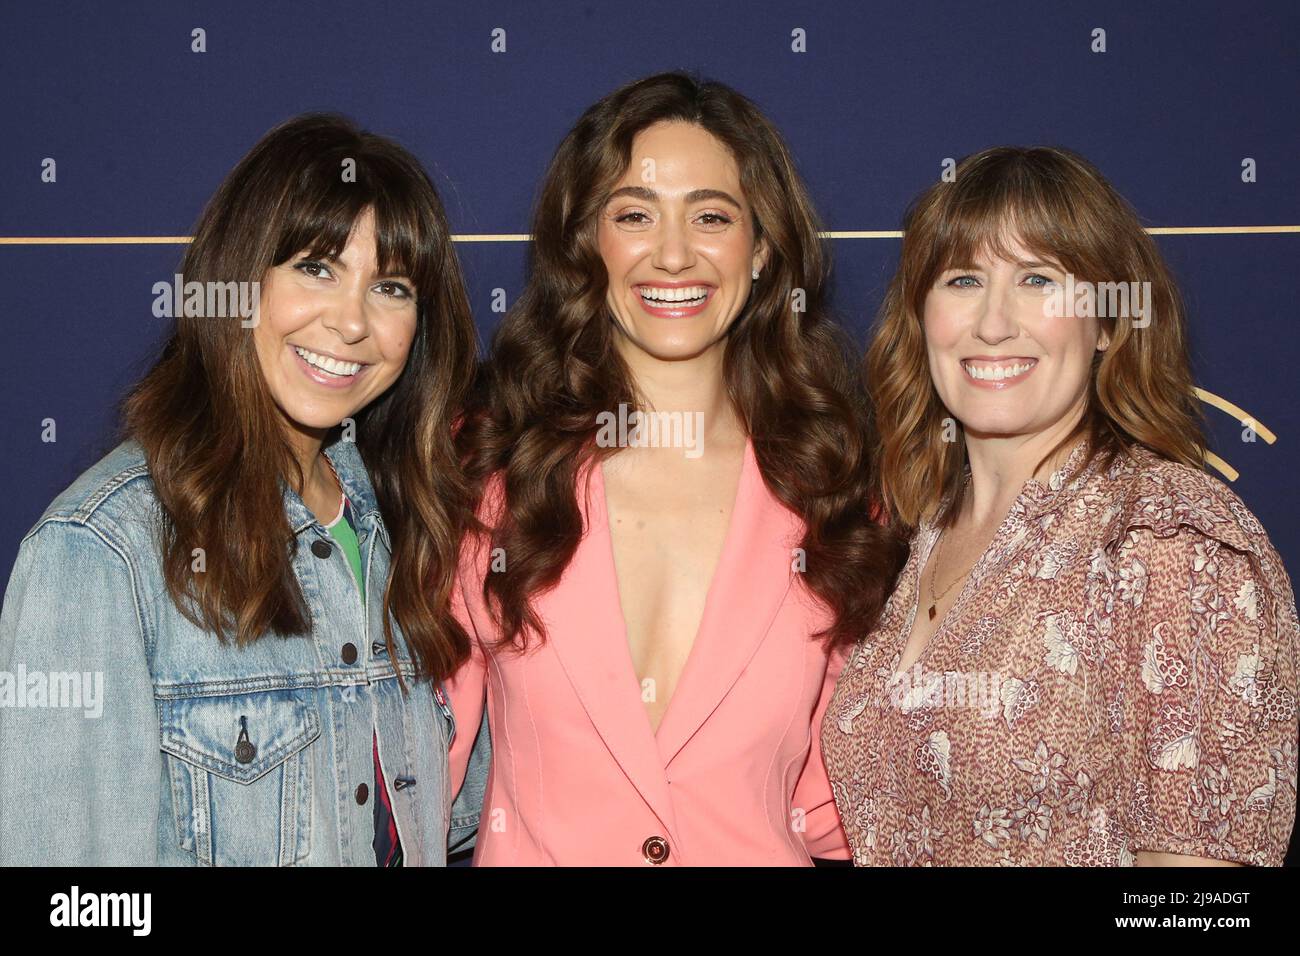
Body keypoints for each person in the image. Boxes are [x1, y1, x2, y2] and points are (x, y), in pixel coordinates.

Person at [447, 72, 907, 865]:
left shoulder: (835, 498)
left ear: (761, 249)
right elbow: (421, 768)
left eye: (711, 216)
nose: (671, 254)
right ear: (587, 242)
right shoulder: (494, 474)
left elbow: (844, 804)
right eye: (634, 215)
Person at [0, 113, 486, 865]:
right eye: (316, 268)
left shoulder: (406, 526)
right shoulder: (102, 552)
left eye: (391, 287)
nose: (351, 322)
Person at [822, 145, 1299, 866]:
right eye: (962, 279)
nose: (992, 323)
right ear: (921, 319)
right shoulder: (913, 537)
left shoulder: (1170, 541)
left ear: (1108, 322)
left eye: (1039, 279)